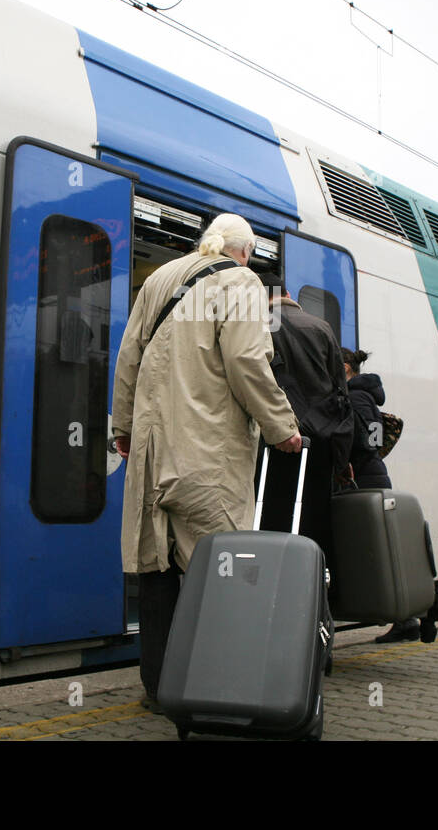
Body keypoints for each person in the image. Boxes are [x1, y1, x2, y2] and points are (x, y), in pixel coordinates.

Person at [112, 214, 302, 711]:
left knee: (155, 567)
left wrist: (123, 429)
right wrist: (282, 428)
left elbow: (128, 356)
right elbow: (246, 362)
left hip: (153, 453)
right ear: (244, 252)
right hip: (206, 452)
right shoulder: (241, 280)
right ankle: (216, 685)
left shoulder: (157, 279)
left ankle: (158, 687)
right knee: (220, 566)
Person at [255, 272, 352, 558]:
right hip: (320, 444)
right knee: (314, 520)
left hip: (274, 441)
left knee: (273, 521)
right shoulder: (322, 328)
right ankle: (317, 591)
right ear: (287, 294)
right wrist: (343, 457)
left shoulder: (260, 327)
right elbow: (341, 394)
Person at [342, 347, 416, 643]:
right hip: (370, 473)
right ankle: (405, 619)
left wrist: (348, 457)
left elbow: (365, 438)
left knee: (374, 548)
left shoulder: (356, 397)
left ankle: (406, 619)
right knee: (378, 547)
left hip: (364, 476)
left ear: (346, 367)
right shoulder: (366, 396)